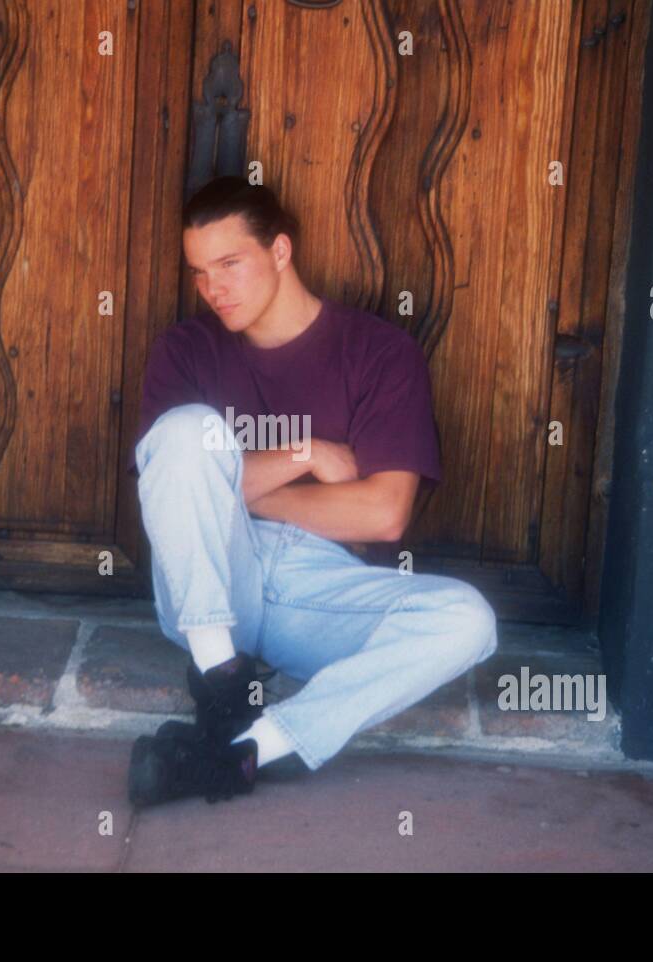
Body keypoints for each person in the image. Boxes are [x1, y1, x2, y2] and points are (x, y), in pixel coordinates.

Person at [125, 176, 498, 807]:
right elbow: (171, 488)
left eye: (229, 264)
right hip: (213, 582)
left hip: (322, 590)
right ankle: (220, 679)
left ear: (280, 251)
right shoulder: (185, 350)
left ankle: (245, 751)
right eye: (198, 272)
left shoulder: (379, 352)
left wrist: (232, 484)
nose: (213, 288)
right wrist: (306, 455)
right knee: (189, 432)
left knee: (469, 619)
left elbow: (382, 514)